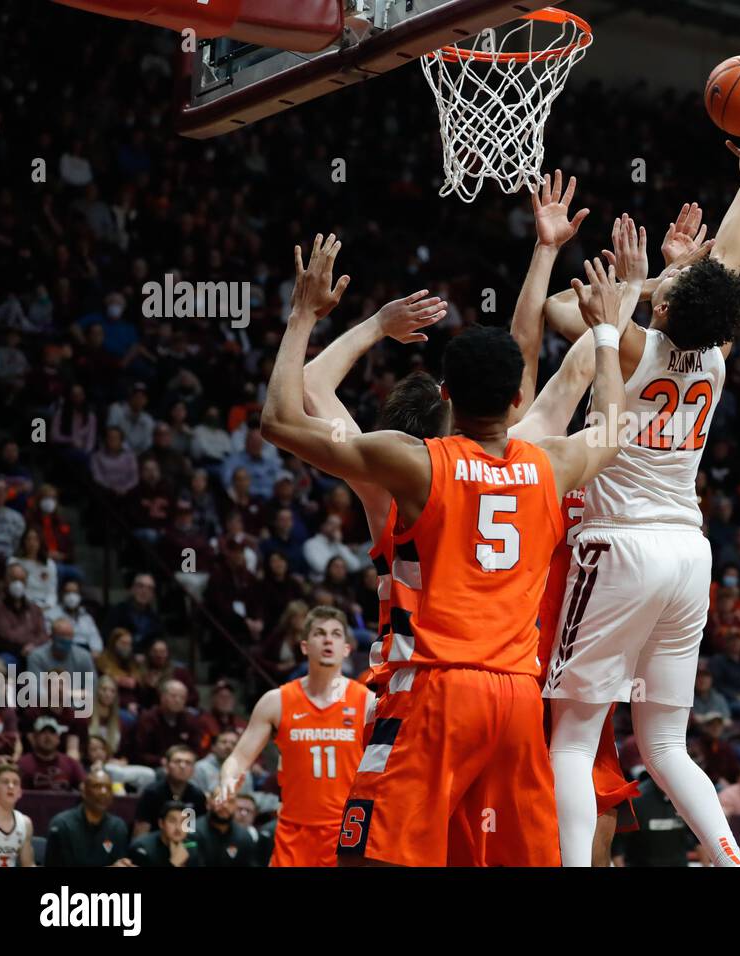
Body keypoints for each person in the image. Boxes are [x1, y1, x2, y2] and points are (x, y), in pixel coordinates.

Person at [258, 228, 629, 867]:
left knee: (369, 856)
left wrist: (307, 316)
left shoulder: (405, 469)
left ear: (448, 400)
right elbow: (604, 417)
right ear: (514, 402)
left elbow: (281, 417)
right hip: (515, 695)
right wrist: (611, 322)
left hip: (430, 691)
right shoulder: (546, 461)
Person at [539, 131, 740, 869]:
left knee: (575, 737)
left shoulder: (632, 344)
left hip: (622, 542)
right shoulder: (715, 354)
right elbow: (727, 266)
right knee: (667, 744)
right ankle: (735, 863)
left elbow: (554, 309)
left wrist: (641, 283)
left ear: (667, 307)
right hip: (688, 552)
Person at [213, 607, 369, 867]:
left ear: (347, 649)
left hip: (346, 834)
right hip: (293, 833)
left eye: (336, 634)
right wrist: (228, 779)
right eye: (320, 634)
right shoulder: (276, 701)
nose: (328, 640)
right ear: (305, 646)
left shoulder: (366, 702)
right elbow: (238, 758)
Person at [43, 768, 129, 866]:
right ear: (84, 792)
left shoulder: (118, 827)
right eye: (97, 786)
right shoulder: (62, 825)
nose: (103, 792)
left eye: (108, 788)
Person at [131, 744, 208, 838]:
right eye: (177, 761)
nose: (182, 766)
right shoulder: (152, 793)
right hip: (156, 845)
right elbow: (141, 830)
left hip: (187, 846)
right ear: (166, 766)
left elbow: (199, 832)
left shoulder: (197, 795)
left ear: (193, 769)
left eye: (188, 763)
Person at [17, 716, 86, 791]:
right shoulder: (23, 765)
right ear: (34, 737)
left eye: (52, 732)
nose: (48, 737)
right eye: (43, 732)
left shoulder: (71, 764)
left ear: (58, 738)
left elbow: (85, 787)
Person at [125, 800, 200, 867]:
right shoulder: (142, 848)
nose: (178, 828)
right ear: (161, 823)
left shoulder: (192, 846)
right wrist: (173, 863)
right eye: (172, 821)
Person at [197, 793, 259, 867]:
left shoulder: (244, 836)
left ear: (235, 807)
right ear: (208, 803)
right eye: (219, 801)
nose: (225, 806)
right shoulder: (193, 832)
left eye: (230, 801)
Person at [0, 763, 35, 866]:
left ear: (19, 792)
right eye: (5, 782)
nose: (11, 786)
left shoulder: (25, 823)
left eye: (15, 783)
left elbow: (28, 864)